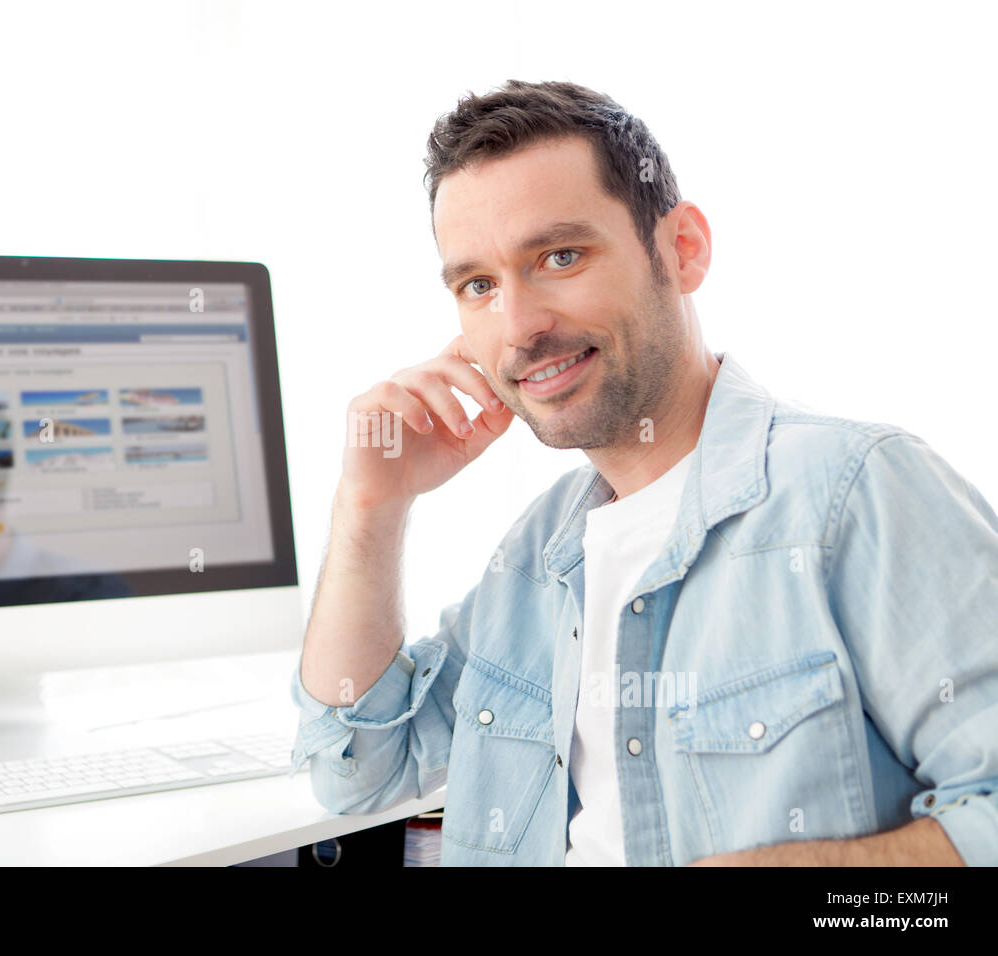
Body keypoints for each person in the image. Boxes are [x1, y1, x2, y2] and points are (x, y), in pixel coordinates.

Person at [291, 79, 998, 866]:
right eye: (479, 286)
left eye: (560, 256)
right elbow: (353, 770)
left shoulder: (857, 494)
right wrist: (370, 506)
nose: (520, 326)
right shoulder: (533, 561)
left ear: (683, 249)